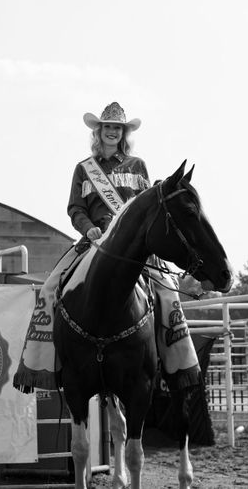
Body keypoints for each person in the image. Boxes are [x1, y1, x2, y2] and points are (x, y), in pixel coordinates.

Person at [13, 102, 204, 403]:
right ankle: (42, 362)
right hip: (93, 240)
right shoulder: (83, 169)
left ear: (124, 133)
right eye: (107, 127)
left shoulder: (137, 166)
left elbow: (147, 210)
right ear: (98, 132)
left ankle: (177, 365)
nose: (113, 131)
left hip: (135, 247)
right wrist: (88, 228)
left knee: (168, 293)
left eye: (118, 127)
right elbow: (75, 208)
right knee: (52, 286)